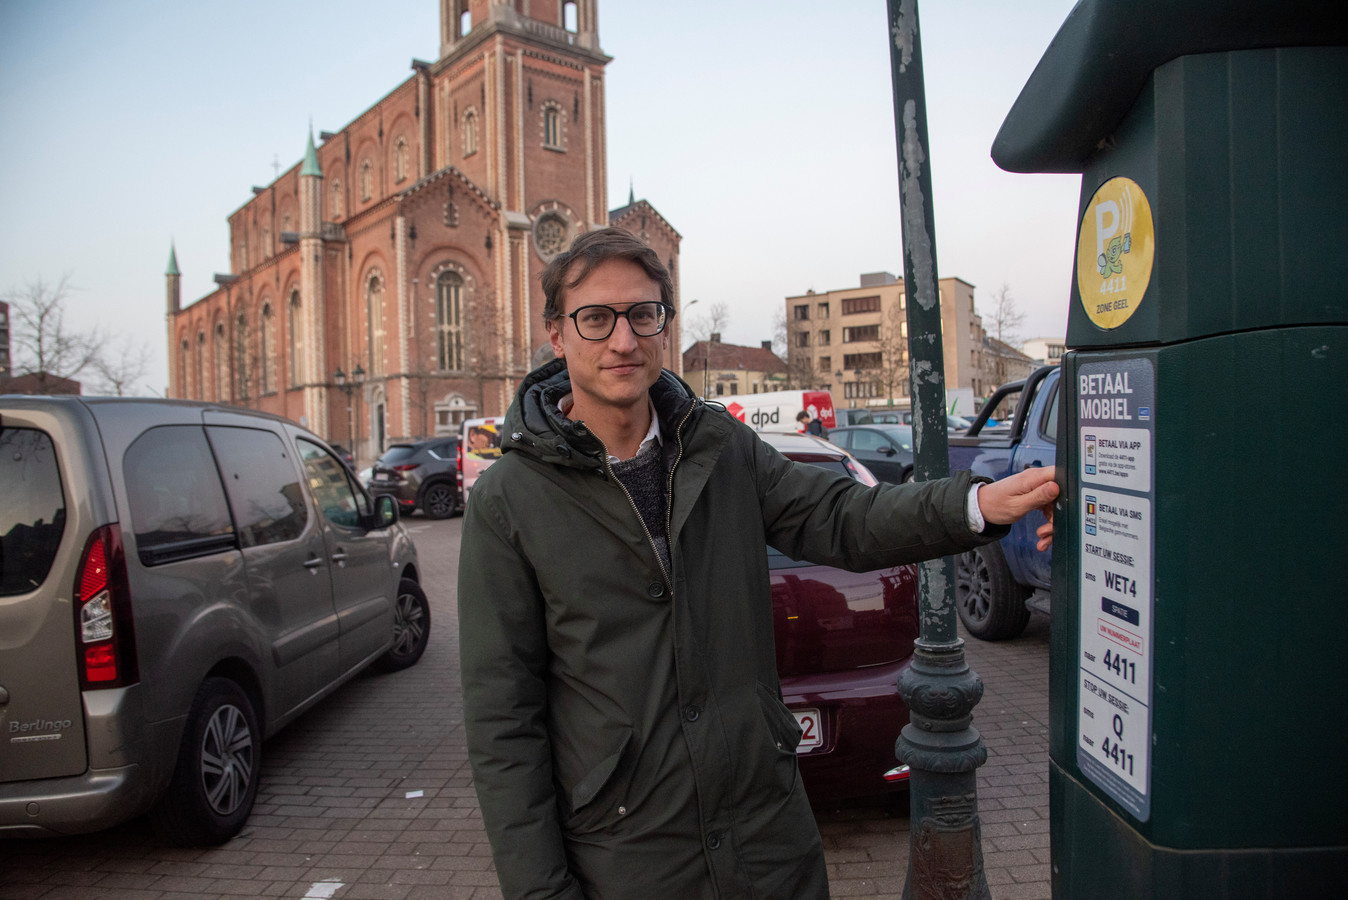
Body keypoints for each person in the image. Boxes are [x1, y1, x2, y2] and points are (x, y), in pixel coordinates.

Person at [458, 227, 1057, 900]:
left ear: (665, 323)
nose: (623, 340)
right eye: (595, 318)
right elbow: (504, 722)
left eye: (643, 314)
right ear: (557, 335)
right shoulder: (511, 500)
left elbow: (846, 518)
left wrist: (978, 505)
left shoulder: (723, 448)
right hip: (626, 858)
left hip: (767, 845)